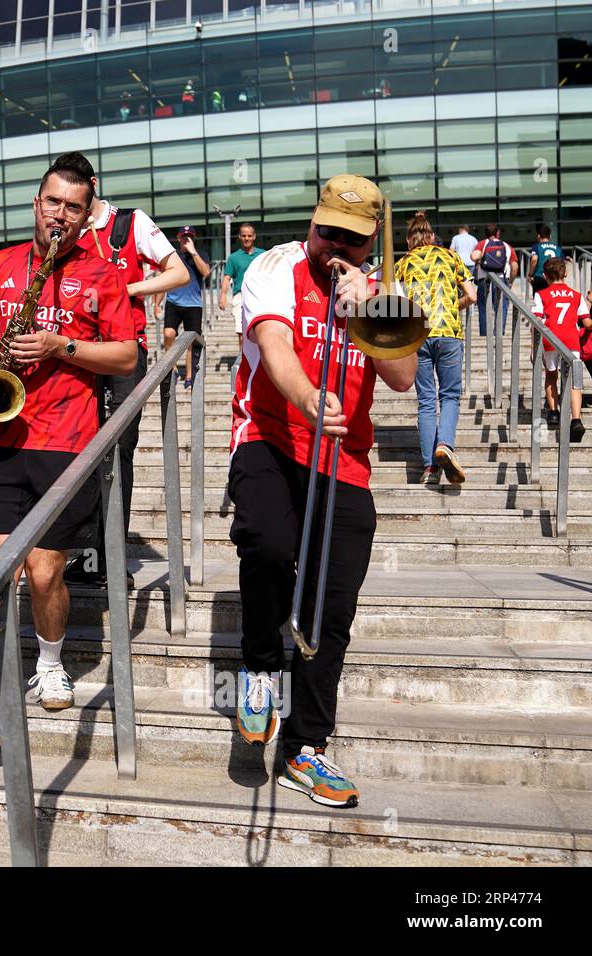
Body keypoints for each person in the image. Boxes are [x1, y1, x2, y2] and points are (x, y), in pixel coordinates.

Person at [229, 174, 417, 808]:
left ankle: (306, 747)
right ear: (311, 223)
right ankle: (258, 667)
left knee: (331, 608)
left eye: (353, 239)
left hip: (345, 460)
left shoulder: (379, 292)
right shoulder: (274, 267)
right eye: (327, 230)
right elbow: (275, 344)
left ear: (369, 243)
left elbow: (402, 377)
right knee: (268, 542)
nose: (337, 246)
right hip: (273, 434)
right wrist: (308, 398)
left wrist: (367, 308)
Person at [0, 160, 135, 764]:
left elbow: (128, 355)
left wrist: (62, 346)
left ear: (88, 213)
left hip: (68, 442)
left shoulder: (105, 275)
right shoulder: (1, 265)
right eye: (53, 202)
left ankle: (50, 662)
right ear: (36, 202)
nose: (60, 215)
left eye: (73, 207)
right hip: (3, 436)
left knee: (46, 575)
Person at [50, 151, 189, 589]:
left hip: (124, 353)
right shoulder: (62, 229)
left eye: (76, 189)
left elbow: (178, 273)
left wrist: (125, 287)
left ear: (93, 183)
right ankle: (83, 553)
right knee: (77, 454)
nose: (66, 205)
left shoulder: (129, 223)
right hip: (75, 353)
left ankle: (108, 558)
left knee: (116, 455)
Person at [395, 211, 476, 485]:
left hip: (418, 334)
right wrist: (454, 306)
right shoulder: (451, 257)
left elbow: (395, 301)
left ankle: (429, 467)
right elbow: (473, 295)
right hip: (449, 331)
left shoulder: (403, 263)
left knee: (427, 400)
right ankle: (445, 446)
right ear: (431, 236)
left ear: (409, 240)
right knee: (450, 396)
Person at [532, 258, 589, 440]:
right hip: (571, 341)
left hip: (550, 340)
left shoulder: (541, 295)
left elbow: (537, 322)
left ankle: (554, 412)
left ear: (545, 276)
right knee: (574, 381)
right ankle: (576, 420)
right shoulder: (576, 295)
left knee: (551, 376)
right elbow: (587, 322)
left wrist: (534, 347)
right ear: (566, 273)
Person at [165, 225, 211, 387]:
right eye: (184, 237)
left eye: (189, 237)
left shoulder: (201, 254)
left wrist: (193, 252)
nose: (186, 239)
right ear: (178, 238)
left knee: (191, 341)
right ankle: (173, 368)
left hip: (193, 304)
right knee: (169, 334)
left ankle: (190, 376)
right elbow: (163, 277)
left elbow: (206, 273)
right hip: (173, 301)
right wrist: (156, 303)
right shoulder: (173, 256)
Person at [221, 223, 265, 351]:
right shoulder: (233, 258)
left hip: (259, 296)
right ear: (240, 237)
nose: (247, 238)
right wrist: (223, 296)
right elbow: (227, 278)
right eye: (244, 236)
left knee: (261, 330)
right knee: (241, 333)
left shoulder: (263, 254)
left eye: (249, 236)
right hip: (240, 296)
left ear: (254, 236)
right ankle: (242, 362)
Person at [471, 224, 517, 337]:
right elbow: (515, 266)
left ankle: (484, 334)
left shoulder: (483, 244)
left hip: (484, 279)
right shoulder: (507, 246)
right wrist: (510, 281)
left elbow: (473, 257)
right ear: (498, 233)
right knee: (502, 306)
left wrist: (482, 256)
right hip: (501, 279)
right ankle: (499, 333)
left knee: (483, 306)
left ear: (485, 233)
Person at [529, 225, 564, 294]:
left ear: (538, 236)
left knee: (539, 301)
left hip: (540, 277)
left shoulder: (537, 247)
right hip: (554, 278)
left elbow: (534, 259)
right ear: (550, 236)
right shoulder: (558, 248)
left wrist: (530, 274)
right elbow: (562, 263)